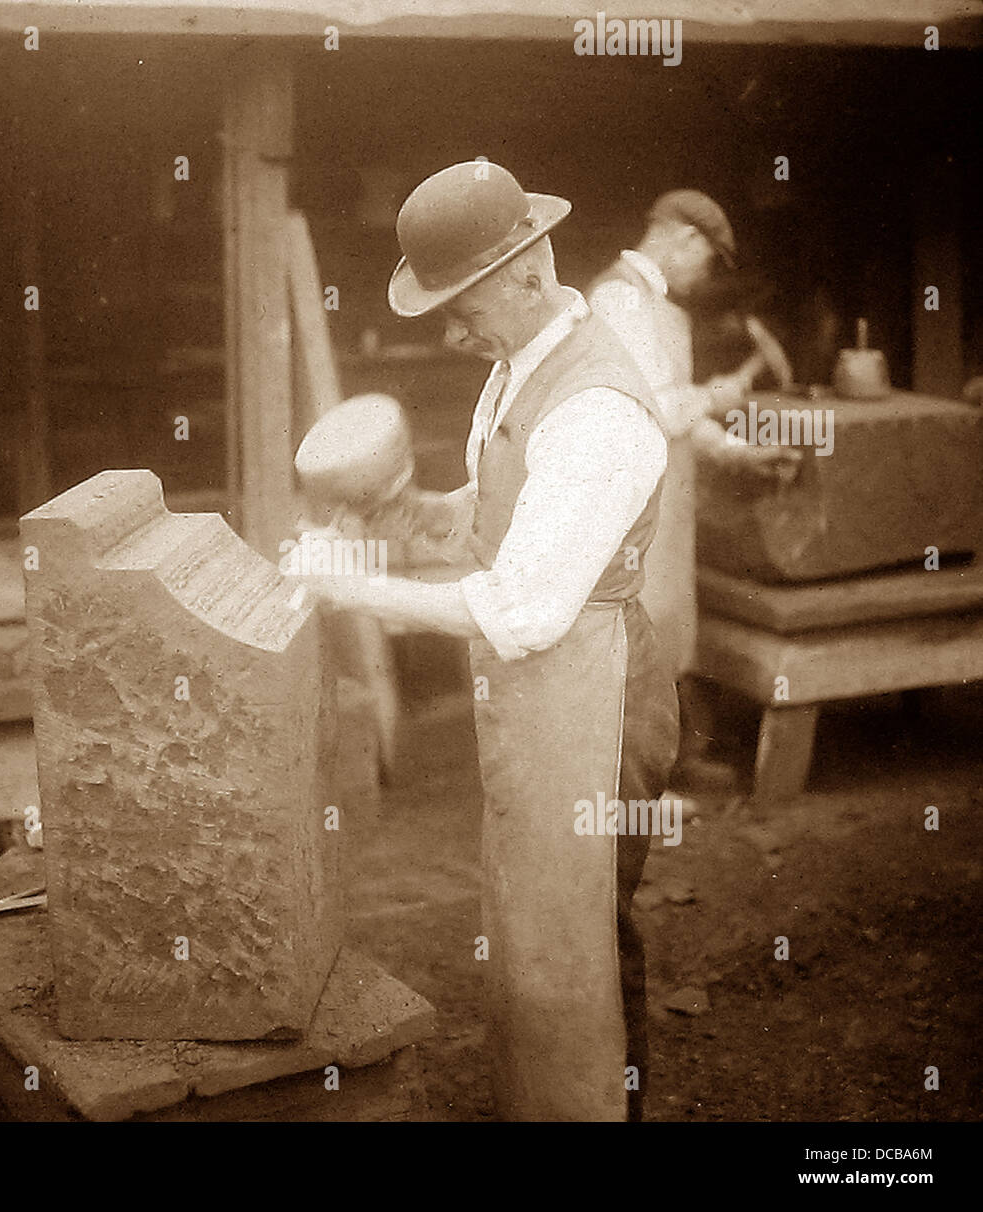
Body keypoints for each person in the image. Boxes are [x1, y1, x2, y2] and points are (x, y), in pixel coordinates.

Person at [292, 161, 678, 1120]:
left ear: (525, 274)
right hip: (546, 697)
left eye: (460, 304)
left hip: (603, 699)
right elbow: (494, 513)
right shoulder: (521, 370)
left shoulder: (595, 409)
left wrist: (358, 590)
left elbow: (524, 609)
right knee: (538, 933)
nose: (451, 331)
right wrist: (394, 516)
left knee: (581, 939)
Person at [587, 191, 797, 785]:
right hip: (631, 503)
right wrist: (718, 394)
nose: (704, 276)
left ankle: (666, 768)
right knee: (635, 636)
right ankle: (630, 788)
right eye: (706, 260)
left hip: (667, 502)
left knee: (667, 631)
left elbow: (680, 414)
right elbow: (653, 408)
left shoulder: (660, 307)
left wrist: (737, 451)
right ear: (684, 239)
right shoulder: (619, 299)